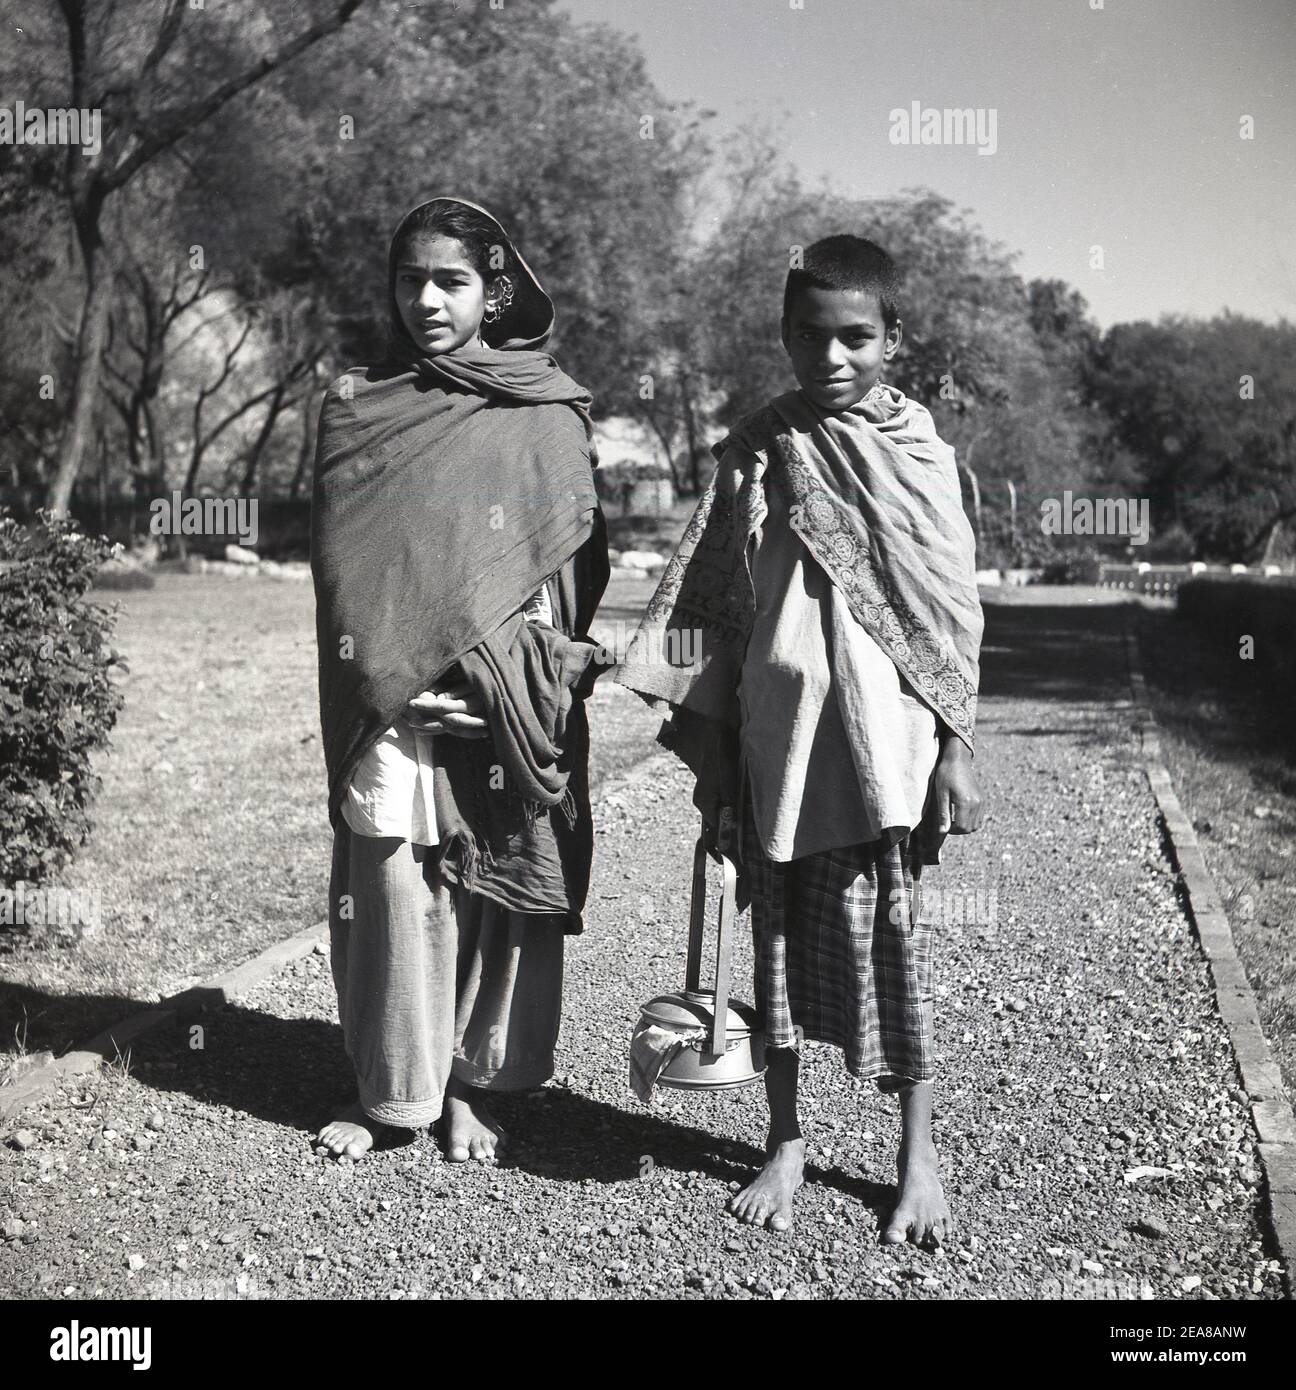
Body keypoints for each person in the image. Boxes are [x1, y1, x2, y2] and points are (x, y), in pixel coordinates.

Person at [615, 235, 984, 1246]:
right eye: (811, 337)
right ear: (784, 335)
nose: (832, 358)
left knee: (891, 954)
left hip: (886, 757)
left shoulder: (923, 460)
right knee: (773, 952)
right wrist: (712, 737)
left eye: (855, 338)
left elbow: (951, 614)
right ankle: (785, 1139)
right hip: (782, 745)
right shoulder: (762, 446)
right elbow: (709, 595)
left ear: (893, 338)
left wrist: (955, 746)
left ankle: (918, 1153)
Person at [310, 197, 609, 1163]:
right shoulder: (359, 407)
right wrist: (392, 678)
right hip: (393, 693)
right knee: (394, 882)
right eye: (411, 280)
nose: (428, 300)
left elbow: (566, 568)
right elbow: (347, 578)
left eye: (451, 281)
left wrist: (505, 680)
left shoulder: (545, 408)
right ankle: (390, 1092)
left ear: (493, 290)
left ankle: (471, 1089)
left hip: (497, 701)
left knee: (488, 889)